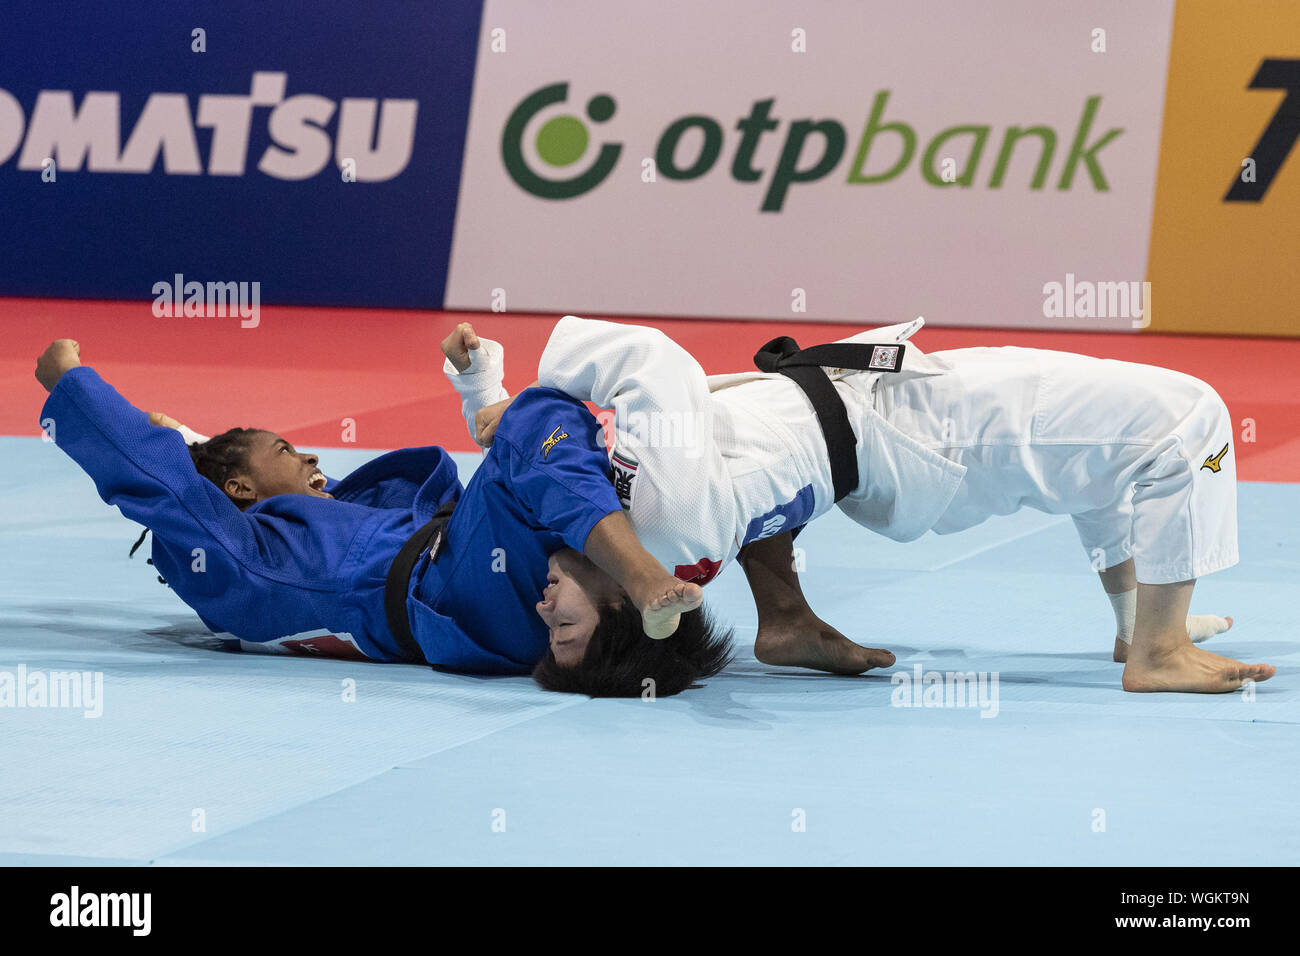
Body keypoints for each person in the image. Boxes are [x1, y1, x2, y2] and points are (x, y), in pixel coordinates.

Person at [444, 315, 1275, 695]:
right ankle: (1158, 651)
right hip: (914, 434)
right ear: (628, 602)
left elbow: (554, 468)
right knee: (1183, 416)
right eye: (565, 624)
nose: (541, 599)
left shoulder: (637, 518)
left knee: (1096, 458)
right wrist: (525, 394)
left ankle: (1138, 618)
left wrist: (484, 391)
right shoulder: (665, 516)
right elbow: (647, 355)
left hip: (877, 436)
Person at [33, 338, 731, 697]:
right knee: (539, 416)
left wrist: (182, 439)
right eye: (284, 450)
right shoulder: (258, 572)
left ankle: (671, 608)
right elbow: (168, 492)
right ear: (243, 489)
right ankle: (638, 578)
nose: (307, 452)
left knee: (700, 461)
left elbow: (199, 479)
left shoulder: (308, 530)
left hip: (471, 588)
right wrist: (74, 385)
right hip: (462, 592)